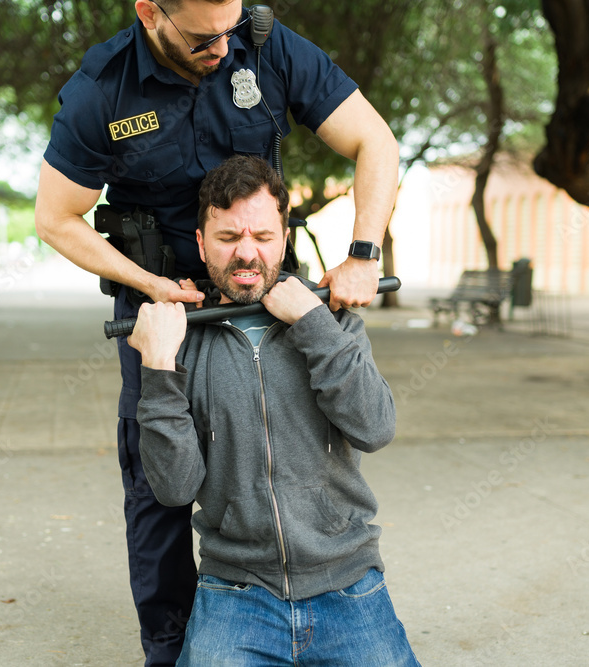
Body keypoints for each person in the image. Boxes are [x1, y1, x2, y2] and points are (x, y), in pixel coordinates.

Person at [34, 1, 399, 661]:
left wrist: (363, 253)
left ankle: (306, 596)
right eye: (206, 37)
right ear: (150, 11)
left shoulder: (270, 46)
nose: (227, 48)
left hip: (261, 289)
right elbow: (56, 218)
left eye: (234, 27)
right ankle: (173, 647)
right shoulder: (104, 86)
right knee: (160, 491)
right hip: (167, 309)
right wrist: (147, 287)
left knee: (294, 443)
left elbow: (375, 140)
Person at [129, 155, 419, 666]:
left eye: (263, 236)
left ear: (284, 239)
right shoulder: (181, 342)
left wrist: (313, 324)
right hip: (236, 592)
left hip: (347, 584)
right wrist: (157, 367)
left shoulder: (332, 320)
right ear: (200, 243)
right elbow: (174, 489)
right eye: (227, 238)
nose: (246, 253)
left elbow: (375, 427)